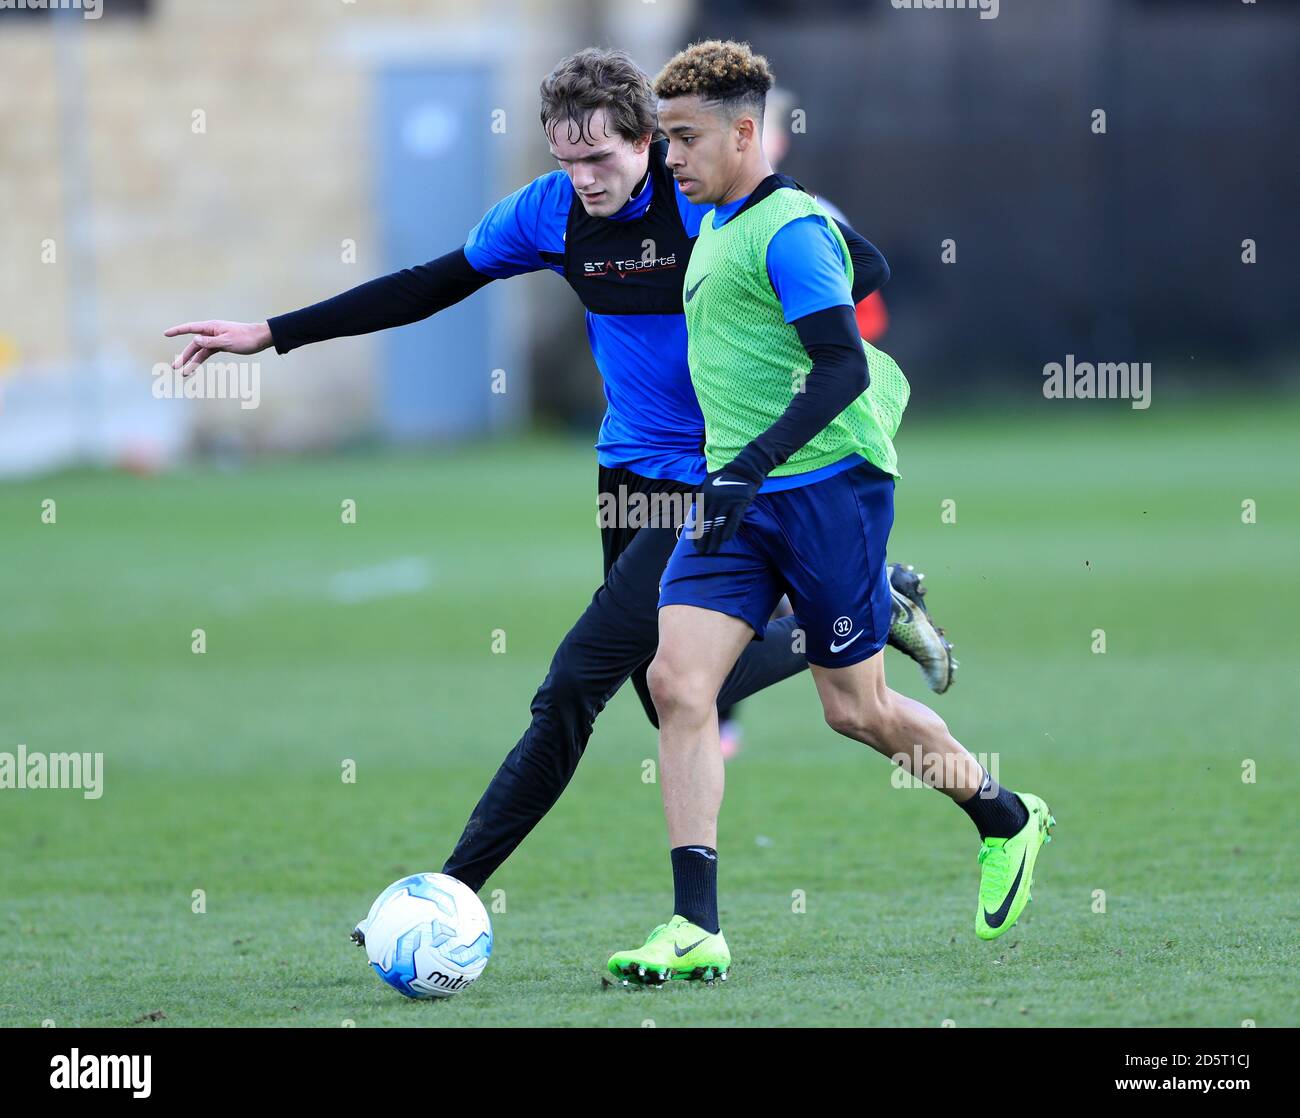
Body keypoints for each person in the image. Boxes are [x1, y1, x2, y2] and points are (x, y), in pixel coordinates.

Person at [162, 47, 957, 920]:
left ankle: (449, 894)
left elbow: (863, 272)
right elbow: (429, 284)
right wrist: (271, 334)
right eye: (566, 159)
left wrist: (765, 338)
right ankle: (861, 609)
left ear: (652, 141)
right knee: (675, 695)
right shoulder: (548, 215)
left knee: (576, 681)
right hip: (628, 471)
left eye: (601, 158)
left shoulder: (718, 208)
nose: (582, 178)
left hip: (715, 476)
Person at [608, 41, 1053, 985]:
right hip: (742, 494)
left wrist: (753, 462)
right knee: (679, 684)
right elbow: (875, 263)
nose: (670, 159)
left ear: (743, 131)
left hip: (824, 490)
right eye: (663, 139)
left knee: (855, 713)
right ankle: (695, 927)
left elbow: (844, 366)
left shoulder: (789, 230)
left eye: (684, 139)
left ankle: (1004, 816)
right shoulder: (729, 219)